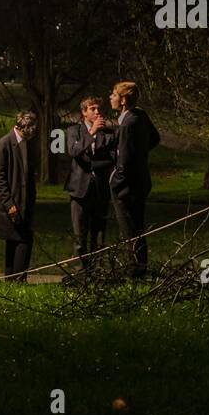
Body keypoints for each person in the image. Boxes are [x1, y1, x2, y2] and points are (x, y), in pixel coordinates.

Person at [108, 81, 160, 278]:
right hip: (140, 181)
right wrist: (141, 155)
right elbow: (155, 138)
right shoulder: (140, 115)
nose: (110, 97)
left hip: (127, 186)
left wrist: (115, 180)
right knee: (137, 227)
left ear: (122, 100)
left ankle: (134, 272)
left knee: (129, 229)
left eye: (113, 94)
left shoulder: (128, 122)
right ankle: (138, 268)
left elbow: (125, 158)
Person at [64, 96, 116, 274]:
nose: (97, 112)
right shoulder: (74, 131)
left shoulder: (108, 133)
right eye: (92, 109)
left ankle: (97, 269)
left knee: (99, 233)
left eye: (98, 109)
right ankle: (80, 271)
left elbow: (111, 159)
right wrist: (91, 132)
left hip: (100, 189)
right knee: (80, 234)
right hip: (79, 189)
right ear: (84, 112)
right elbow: (74, 151)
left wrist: (93, 164)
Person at [0, 111, 38, 281]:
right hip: (12, 203)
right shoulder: (4, 144)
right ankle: (15, 279)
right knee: (19, 240)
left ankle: (13, 278)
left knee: (19, 240)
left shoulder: (26, 143)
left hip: (24, 201)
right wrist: (9, 204)